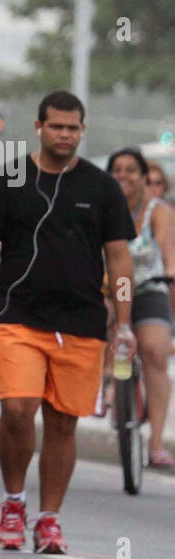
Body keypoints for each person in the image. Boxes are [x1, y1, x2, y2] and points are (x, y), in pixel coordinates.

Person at [0, 91, 135, 554]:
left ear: (82, 131)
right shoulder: (8, 179)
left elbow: (119, 260)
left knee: (63, 424)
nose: (65, 135)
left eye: (73, 128)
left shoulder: (102, 187)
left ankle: (49, 518)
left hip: (82, 323)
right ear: (38, 127)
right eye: (56, 126)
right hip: (20, 317)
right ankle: (14, 502)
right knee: (18, 409)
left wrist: (126, 322)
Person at [107, 148, 174, 467]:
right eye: (116, 169)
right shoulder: (100, 208)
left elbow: (168, 251)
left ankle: (157, 443)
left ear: (143, 176)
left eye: (131, 170)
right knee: (100, 322)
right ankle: (110, 383)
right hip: (110, 289)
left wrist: (171, 271)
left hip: (148, 287)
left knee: (156, 351)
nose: (123, 175)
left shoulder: (158, 211)